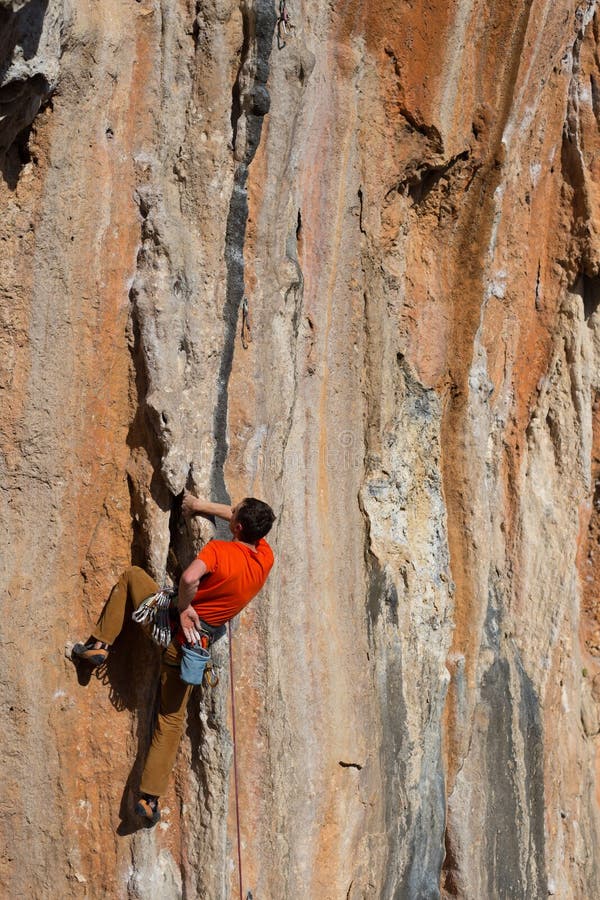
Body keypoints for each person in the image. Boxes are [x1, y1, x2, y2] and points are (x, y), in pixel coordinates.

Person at [72, 492, 275, 824]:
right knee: (170, 720)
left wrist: (183, 608)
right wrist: (199, 507)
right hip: (194, 649)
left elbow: (189, 578)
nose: (230, 511)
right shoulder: (264, 558)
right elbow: (238, 516)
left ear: (236, 527)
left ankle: (99, 645)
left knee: (133, 577)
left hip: (172, 625)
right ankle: (149, 800)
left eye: (233, 512)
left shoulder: (219, 551)